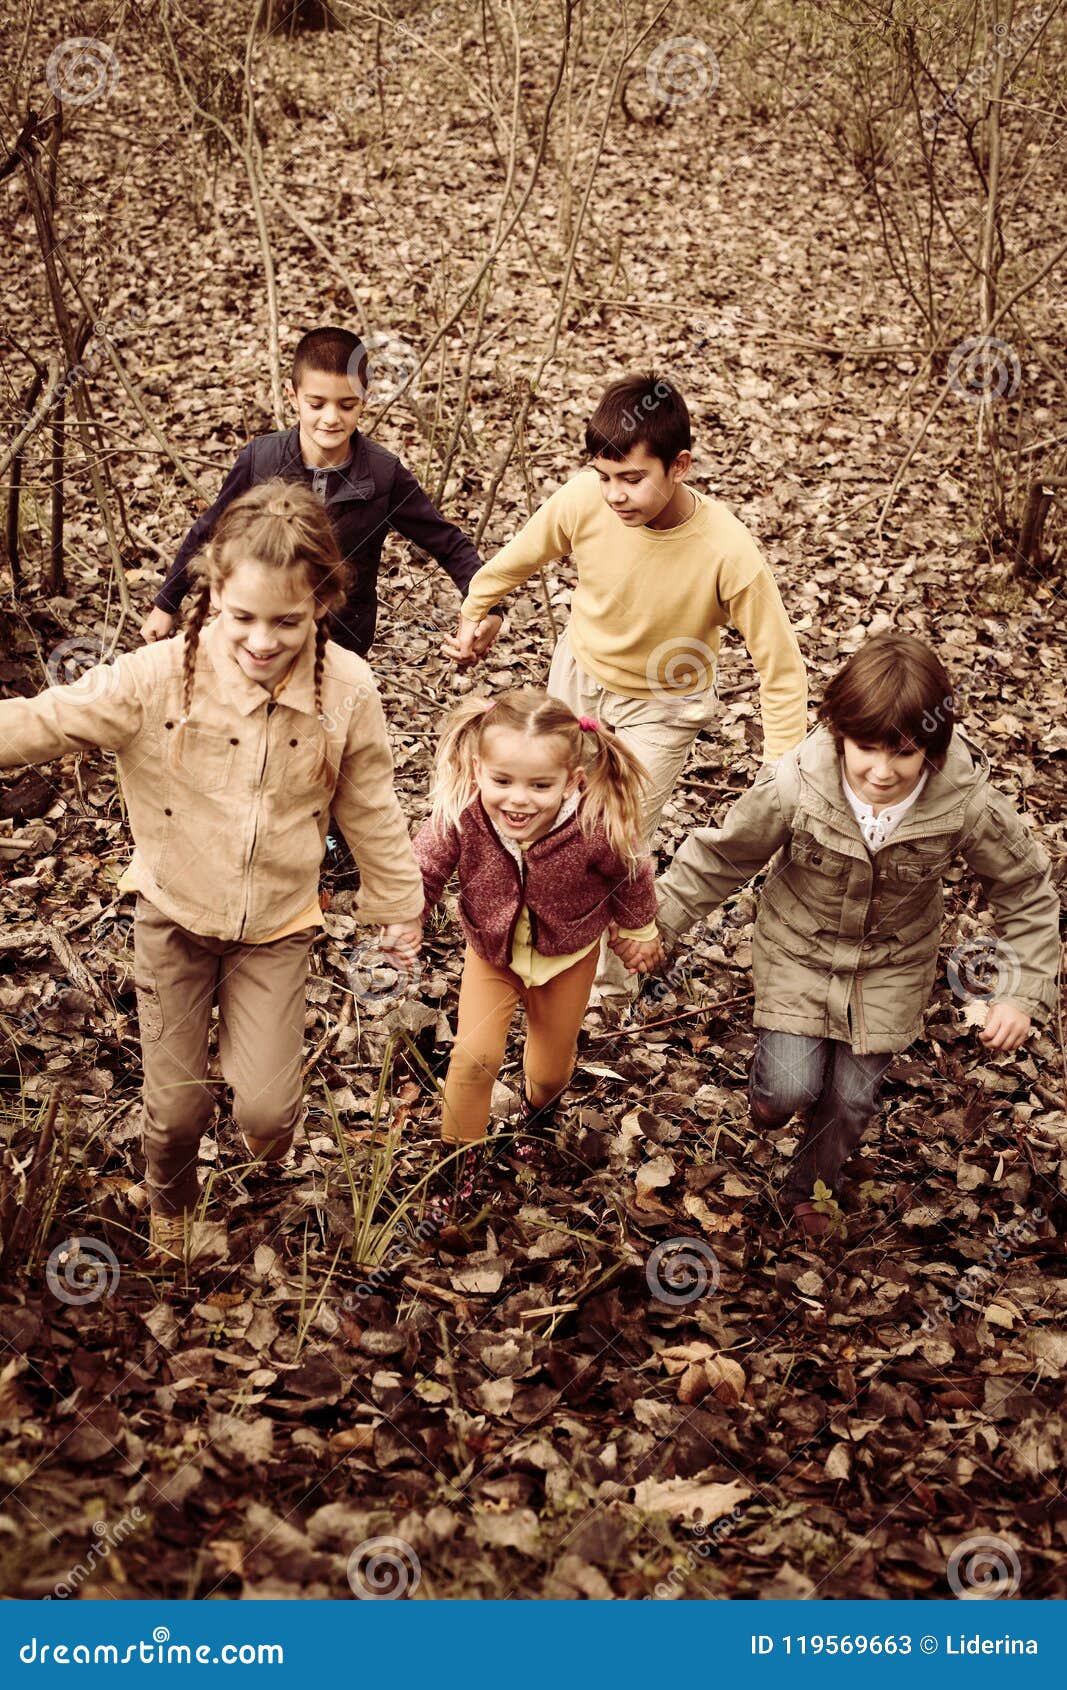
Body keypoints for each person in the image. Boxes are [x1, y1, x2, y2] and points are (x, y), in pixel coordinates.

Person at [0, 482, 423, 1262]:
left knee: (265, 1115)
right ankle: (173, 1203)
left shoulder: (348, 691)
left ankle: (259, 1135)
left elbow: (371, 807)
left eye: (287, 621)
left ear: (324, 603)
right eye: (243, 618)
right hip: (174, 916)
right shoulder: (157, 678)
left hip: (277, 925)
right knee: (175, 1113)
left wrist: (398, 909)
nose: (263, 641)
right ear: (212, 593)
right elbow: (46, 718)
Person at [641, 633, 1061, 1238]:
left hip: (892, 967)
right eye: (866, 748)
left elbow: (1024, 889)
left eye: (906, 754)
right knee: (788, 1089)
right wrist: (659, 920)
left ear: (935, 749)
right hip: (798, 951)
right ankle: (773, 1097)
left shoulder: (965, 804)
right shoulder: (796, 785)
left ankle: (810, 1187)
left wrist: (1020, 992)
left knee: (849, 1099)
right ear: (839, 732)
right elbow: (724, 857)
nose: (882, 771)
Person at [444, 371, 808, 1008]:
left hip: (662, 708)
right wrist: (481, 611)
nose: (614, 494)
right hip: (578, 681)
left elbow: (779, 664)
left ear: (680, 466)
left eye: (633, 478)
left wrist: (782, 766)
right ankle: (529, 940)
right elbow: (516, 559)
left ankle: (600, 990)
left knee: (615, 835)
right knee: (549, 812)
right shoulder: (584, 500)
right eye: (604, 475)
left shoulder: (726, 549)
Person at [414, 690, 662, 1200]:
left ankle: (538, 1112)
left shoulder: (594, 824)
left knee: (549, 1070)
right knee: (472, 1058)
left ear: (572, 781)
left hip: (566, 956)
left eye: (540, 785)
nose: (518, 800)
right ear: (478, 768)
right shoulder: (465, 811)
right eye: (502, 781)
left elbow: (631, 873)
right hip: (492, 953)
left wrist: (637, 930)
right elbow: (424, 865)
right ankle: (459, 1162)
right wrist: (405, 917)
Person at [140, 325, 503, 659]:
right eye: (317, 404)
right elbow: (209, 530)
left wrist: (489, 609)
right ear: (293, 396)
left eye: (346, 405)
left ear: (365, 399)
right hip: (262, 634)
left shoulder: (383, 474)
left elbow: (448, 543)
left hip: (339, 642)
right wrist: (166, 604)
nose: (331, 418)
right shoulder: (261, 460)